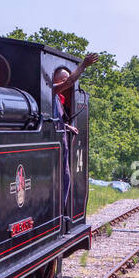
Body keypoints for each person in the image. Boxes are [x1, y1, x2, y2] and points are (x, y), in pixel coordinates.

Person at [51, 53, 98, 220]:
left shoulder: (57, 98)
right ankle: (58, 217)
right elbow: (70, 82)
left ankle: (60, 215)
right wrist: (83, 66)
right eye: (62, 81)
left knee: (65, 179)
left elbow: (55, 120)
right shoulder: (52, 91)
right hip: (56, 147)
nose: (66, 85)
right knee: (64, 179)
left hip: (61, 145)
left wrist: (67, 125)